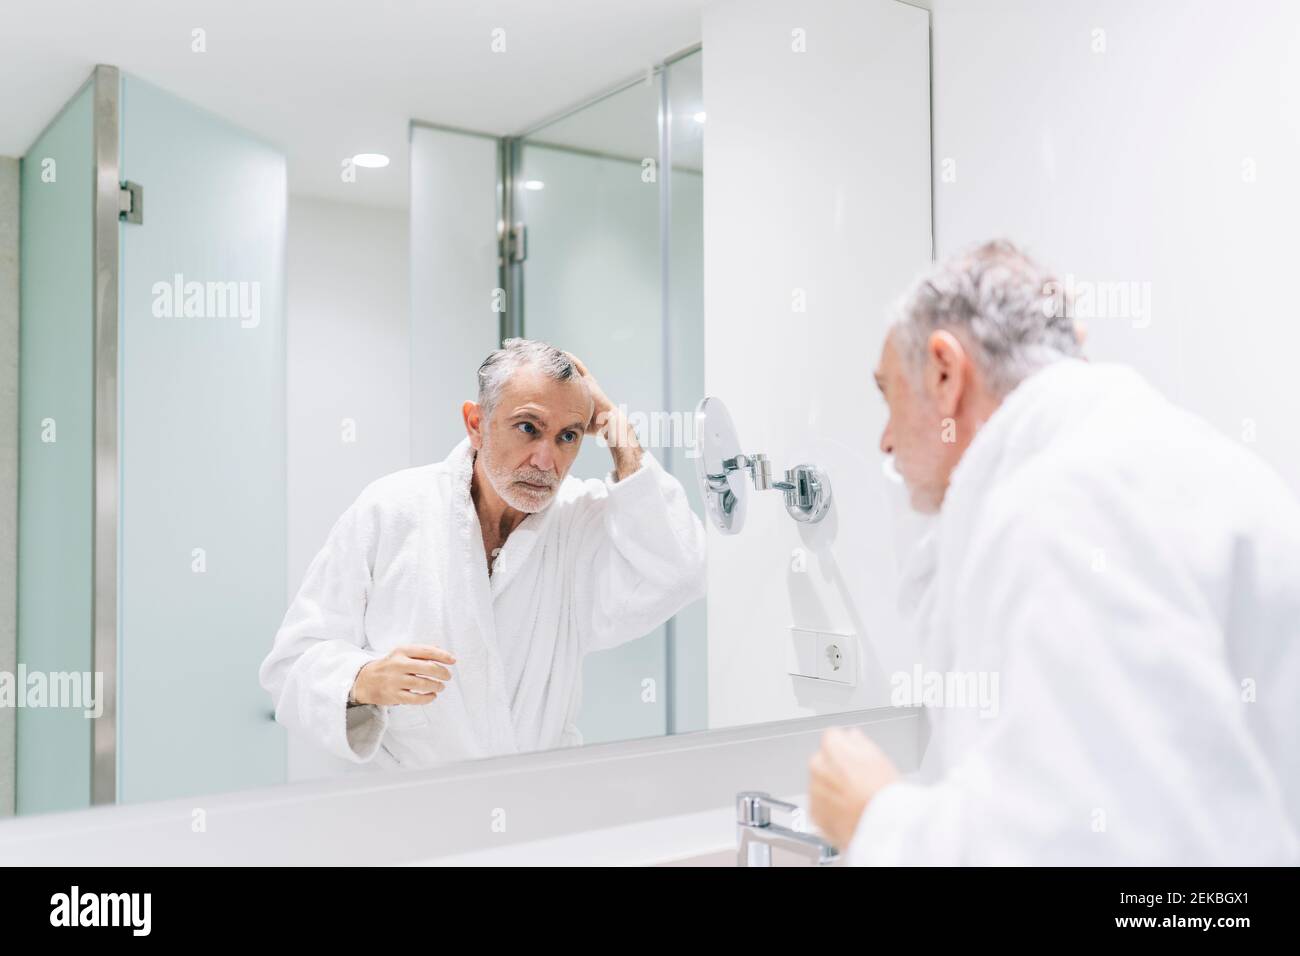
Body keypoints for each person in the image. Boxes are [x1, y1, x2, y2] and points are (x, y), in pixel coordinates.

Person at [809, 240, 1300, 865]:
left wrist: (876, 817)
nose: (882, 440)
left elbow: (1098, 855)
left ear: (943, 372)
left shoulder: (1063, 507)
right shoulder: (1180, 461)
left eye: (888, 394)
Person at [259, 339, 706, 769]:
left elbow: (680, 571)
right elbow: (291, 665)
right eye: (528, 428)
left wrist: (614, 427)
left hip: (537, 808)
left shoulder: (579, 521)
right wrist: (362, 680)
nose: (546, 460)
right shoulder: (393, 509)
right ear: (476, 424)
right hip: (411, 812)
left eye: (568, 436)